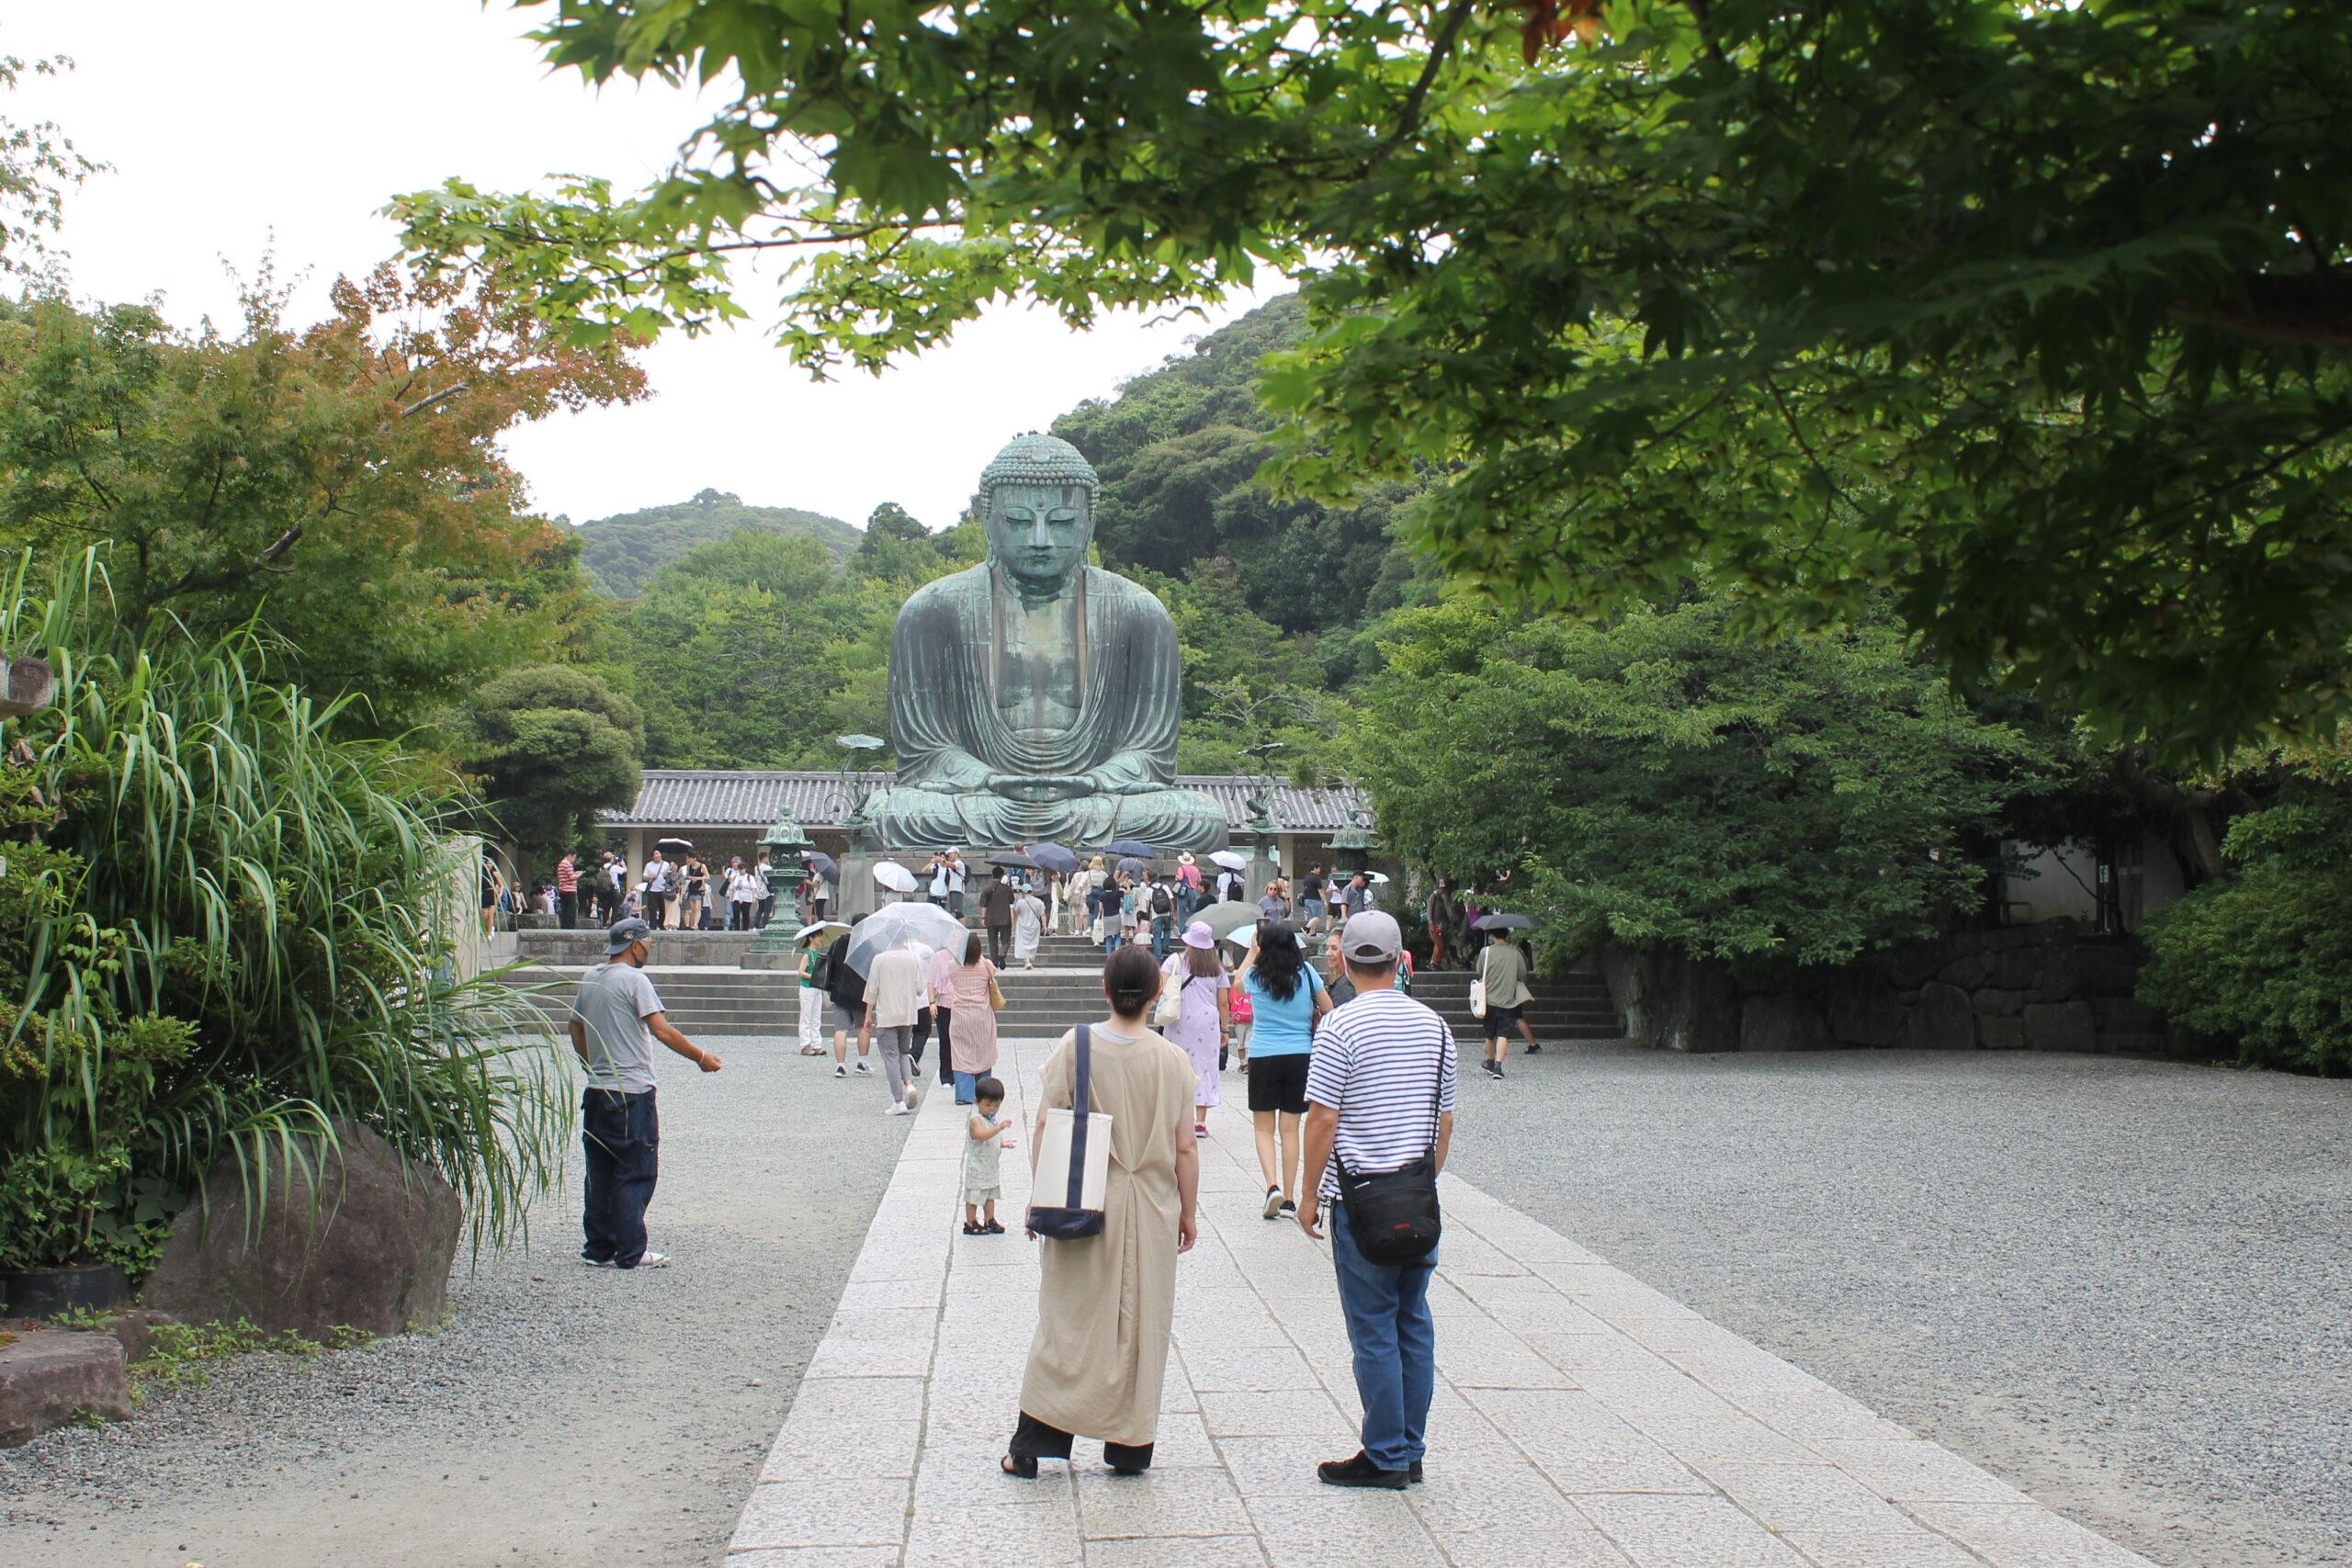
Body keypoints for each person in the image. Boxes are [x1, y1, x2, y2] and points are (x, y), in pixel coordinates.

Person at [1003, 944, 1200, 1478]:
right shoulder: (1173, 1060)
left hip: (1083, 1198)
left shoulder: (1078, 1045)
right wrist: (1188, 1212)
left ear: (1106, 989)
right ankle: (1130, 1445)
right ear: (1157, 993)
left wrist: (1040, 1192)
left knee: (1068, 1318)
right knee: (1141, 1323)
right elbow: (1185, 1146)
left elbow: (1045, 1123)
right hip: (1152, 1205)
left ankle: (1033, 1443)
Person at [1296, 911, 1456, 1489]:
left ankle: (1385, 1453)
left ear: (1344, 959)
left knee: (1373, 1327)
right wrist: (1423, 1180)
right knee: (1413, 1319)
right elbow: (1445, 1121)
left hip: (1361, 1198)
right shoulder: (1435, 1027)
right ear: (1398, 958)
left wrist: (1308, 1193)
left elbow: (1322, 1118)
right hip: (1416, 1197)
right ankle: (1410, 1448)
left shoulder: (1339, 1027)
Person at [569, 917, 723, 1270]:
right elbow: (661, 1030)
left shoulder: (591, 977)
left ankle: (598, 1248)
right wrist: (700, 1057)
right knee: (635, 1169)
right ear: (635, 944)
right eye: (648, 943)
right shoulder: (635, 981)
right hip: (632, 1091)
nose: (650, 948)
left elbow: (575, 1026)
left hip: (597, 1091)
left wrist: (590, 1063)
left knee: (600, 1170)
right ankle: (631, 1250)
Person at [1236, 922, 1331, 1221]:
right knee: (1290, 1130)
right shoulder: (1307, 973)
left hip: (1264, 1055)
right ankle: (1289, 1199)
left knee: (1263, 1128)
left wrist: (1252, 951)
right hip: (1300, 1056)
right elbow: (1330, 1008)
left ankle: (1272, 1186)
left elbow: (1236, 985)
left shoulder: (1256, 975)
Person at [1162, 921, 1229, 1137]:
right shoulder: (1217, 967)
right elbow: (1223, 1002)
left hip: (1180, 1019)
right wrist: (1225, 1029)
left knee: (1177, 1066)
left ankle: (1177, 1118)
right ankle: (1200, 1122)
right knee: (1204, 1068)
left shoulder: (1175, 961)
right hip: (1208, 1023)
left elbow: (1162, 988)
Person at [864, 939, 928, 1115]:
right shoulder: (913, 958)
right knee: (903, 1052)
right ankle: (909, 1084)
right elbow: (920, 988)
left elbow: (872, 990)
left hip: (887, 1013)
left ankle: (898, 1100)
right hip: (907, 1013)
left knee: (891, 1056)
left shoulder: (880, 959)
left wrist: (868, 1015)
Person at [1475, 925, 1540, 1077]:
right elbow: (1522, 974)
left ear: (1492, 935)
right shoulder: (1516, 953)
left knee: (1490, 1034)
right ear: (1506, 935)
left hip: (1489, 1000)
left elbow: (1479, 971)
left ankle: (1490, 1062)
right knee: (1503, 1034)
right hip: (1508, 999)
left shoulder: (1485, 952)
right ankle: (1498, 1067)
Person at [944, 931, 1001, 1104]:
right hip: (981, 1014)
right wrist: (980, 956)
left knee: (960, 1053)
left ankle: (964, 1094)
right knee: (983, 1051)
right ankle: (983, 1091)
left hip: (960, 1016)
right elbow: (994, 972)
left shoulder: (952, 966)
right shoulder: (986, 965)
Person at [963, 1077, 1014, 1235]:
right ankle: (970, 1222)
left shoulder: (991, 1120)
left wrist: (1003, 1144)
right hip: (977, 1168)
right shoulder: (976, 1121)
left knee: (990, 1195)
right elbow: (982, 1135)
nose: (992, 1109)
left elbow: (992, 1139)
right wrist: (999, 1128)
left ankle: (989, 1219)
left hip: (990, 1168)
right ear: (977, 1101)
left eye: (996, 1105)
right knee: (974, 1196)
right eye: (988, 1105)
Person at [823, 928, 873, 1078]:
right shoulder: (867, 946)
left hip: (839, 991)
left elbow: (829, 964)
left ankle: (840, 1066)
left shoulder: (838, 942)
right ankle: (862, 1063)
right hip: (860, 994)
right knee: (863, 1027)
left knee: (840, 1029)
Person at [927, 938, 960, 1087]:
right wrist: (931, 1002)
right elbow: (930, 981)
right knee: (945, 1040)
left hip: (960, 1003)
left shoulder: (963, 956)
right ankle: (946, 1076)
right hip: (942, 1003)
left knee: (960, 1041)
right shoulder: (938, 956)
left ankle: (959, 1074)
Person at [796, 929, 828, 1055]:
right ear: (811, 938)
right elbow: (801, 972)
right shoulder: (807, 954)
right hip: (807, 988)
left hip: (816, 988)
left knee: (816, 1017)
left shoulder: (817, 954)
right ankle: (805, 1044)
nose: (820, 939)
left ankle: (816, 1043)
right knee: (806, 1016)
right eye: (818, 936)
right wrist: (813, 976)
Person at [980, 866, 1017, 964]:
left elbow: (984, 906)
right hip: (1005, 918)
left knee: (992, 942)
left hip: (990, 919)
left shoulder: (986, 889)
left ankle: (994, 963)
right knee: (1006, 940)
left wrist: (983, 918)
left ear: (992, 875)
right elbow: (1012, 901)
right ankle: (1003, 952)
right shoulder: (1007, 889)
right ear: (1002, 876)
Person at [1011, 881, 1046, 969]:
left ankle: (1027, 960)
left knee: (1023, 943)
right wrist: (1044, 926)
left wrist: (1014, 925)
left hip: (1023, 924)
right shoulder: (1039, 902)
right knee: (1032, 942)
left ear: (1024, 892)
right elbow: (1043, 914)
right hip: (1035, 925)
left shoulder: (1020, 902)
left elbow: (1016, 914)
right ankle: (1029, 960)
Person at [1426, 878, 1459, 970]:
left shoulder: (1441, 898)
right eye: (1441, 888)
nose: (1443, 890)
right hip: (1434, 925)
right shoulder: (1433, 897)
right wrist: (1430, 922)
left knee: (1439, 945)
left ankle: (1435, 962)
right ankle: (1433, 961)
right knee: (1439, 945)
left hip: (1440, 925)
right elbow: (1429, 910)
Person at [1322, 930, 1359, 1010]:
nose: (1327, 953)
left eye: (1334, 948)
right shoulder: (1344, 981)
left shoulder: (1346, 987)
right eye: (1327, 948)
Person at [641, 849, 673, 931]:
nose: (656, 856)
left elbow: (669, 876)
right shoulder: (649, 865)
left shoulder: (666, 864)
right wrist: (652, 876)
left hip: (663, 889)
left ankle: (662, 925)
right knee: (652, 909)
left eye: (657, 854)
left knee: (663, 908)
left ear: (660, 855)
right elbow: (644, 877)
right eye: (654, 854)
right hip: (652, 889)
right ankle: (653, 926)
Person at [1148, 875, 1177, 959]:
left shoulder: (1149, 890)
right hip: (1167, 914)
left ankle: (1158, 956)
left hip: (1156, 915)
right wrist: (1173, 914)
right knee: (1167, 930)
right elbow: (1171, 902)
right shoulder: (1165, 887)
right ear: (1158, 879)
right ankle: (1165, 946)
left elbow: (1147, 905)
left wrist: (1148, 918)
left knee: (1157, 935)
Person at [480, 850, 504, 939]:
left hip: (493, 894)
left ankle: (489, 933)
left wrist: (500, 894)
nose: (488, 865)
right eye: (487, 863)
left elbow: (501, 885)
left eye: (490, 863)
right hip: (485, 894)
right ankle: (488, 929)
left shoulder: (495, 873)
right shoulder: (482, 873)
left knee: (490, 915)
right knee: (484, 916)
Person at [1298, 863, 1328, 936]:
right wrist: (1325, 901)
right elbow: (1321, 891)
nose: (1320, 870)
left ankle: (1312, 932)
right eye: (1319, 868)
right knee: (1319, 917)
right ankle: (1306, 928)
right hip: (1315, 900)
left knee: (1312, 917)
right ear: (1315, 868)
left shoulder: (1306, 878)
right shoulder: (1317, 878)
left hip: (1307, 900)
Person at [555, 852, 581, 930]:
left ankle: (564, 925)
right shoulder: (568, 864)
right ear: (569, 855)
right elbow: (572, 877)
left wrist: (574, 873)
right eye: (574, 857)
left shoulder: (561, 864)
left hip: (562, 889)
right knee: (572, 908)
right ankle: (570, 926)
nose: (574, 859)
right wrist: (579, 875)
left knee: (565, 908)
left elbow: (567, 875)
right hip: (570, 889)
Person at [1174, 851, 1203, 919]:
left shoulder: (1181, 868)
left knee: (1182, 912)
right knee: (1193, 912)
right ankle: (1193, 925)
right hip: (1193, 891)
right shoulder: (1196, 869)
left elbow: (1180, 878)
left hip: (1183, 892)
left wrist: (1177, 877)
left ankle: (1182, 926)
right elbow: (1199, 880)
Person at [753, 852, 777, 930]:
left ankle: (756, 924)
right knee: (767, 909)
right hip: (768, 891)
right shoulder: (768, 868)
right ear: (764, 858)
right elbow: (772, 877)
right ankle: (764, 924)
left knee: (760, 909)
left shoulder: (756, 867)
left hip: (760, 891)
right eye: (767, 857)